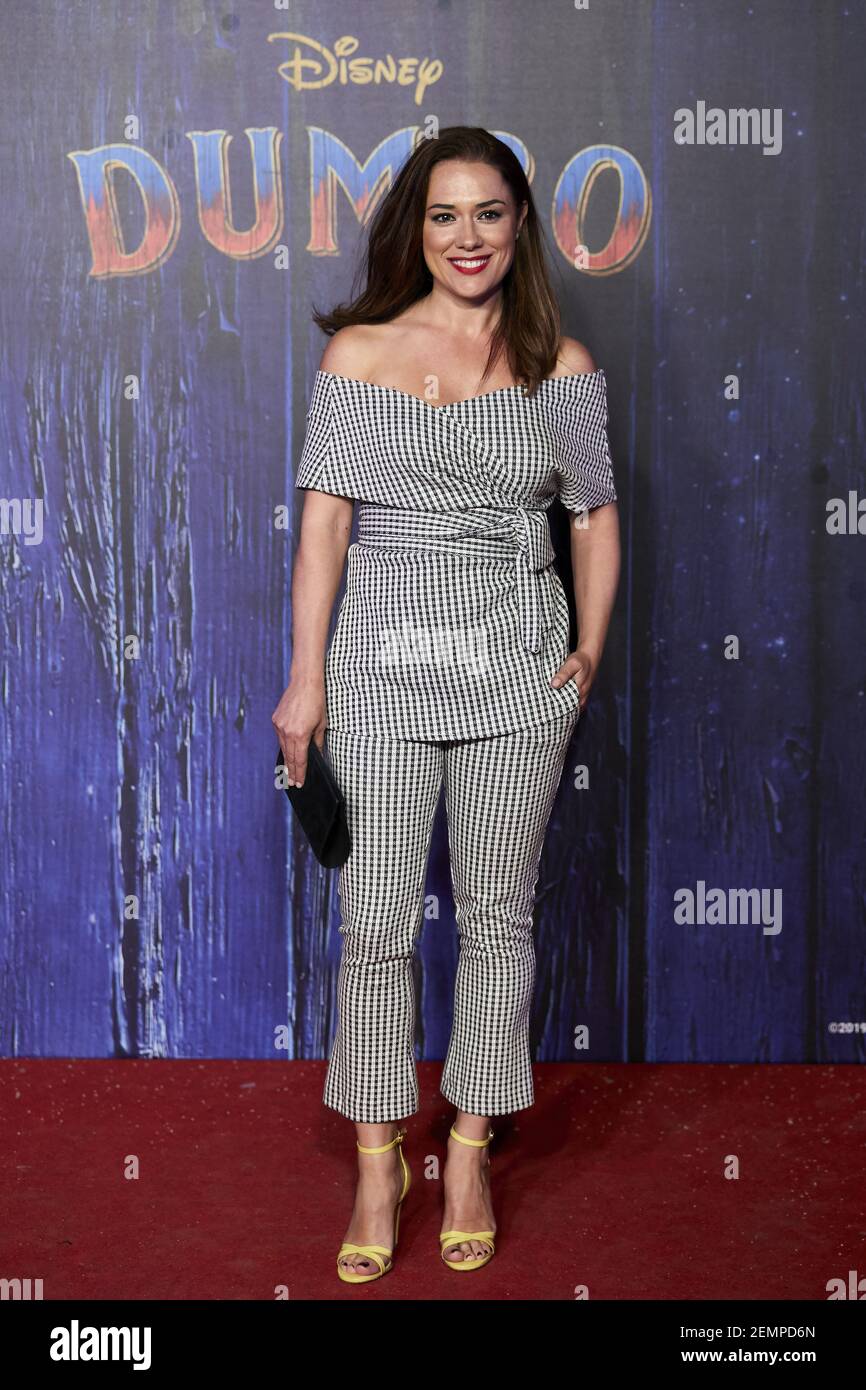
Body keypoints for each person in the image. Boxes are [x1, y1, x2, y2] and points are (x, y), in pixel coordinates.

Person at [272, 125, 620, 1283]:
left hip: (518, 666)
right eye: (441, 215)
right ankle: (380, 1159)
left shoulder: (557, 367)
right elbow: (324, 523)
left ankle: (467, 1144)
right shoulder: (359, 356)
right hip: (378, 661)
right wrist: (305, 679)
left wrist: (588, 645)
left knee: (495, 916)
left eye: (487, 213)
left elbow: (590, 514)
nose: (465, 237)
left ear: (520, 225)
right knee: (371, 921)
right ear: (411, 230)